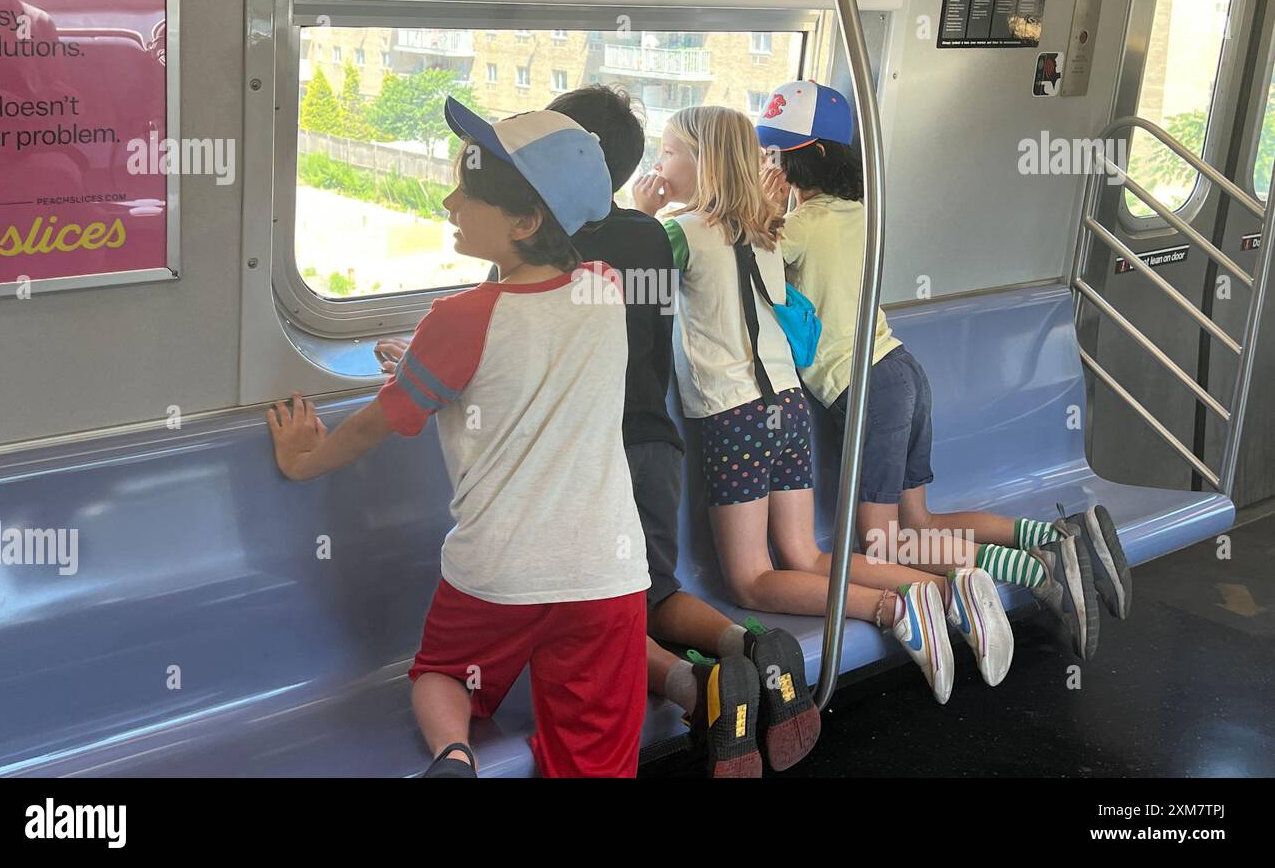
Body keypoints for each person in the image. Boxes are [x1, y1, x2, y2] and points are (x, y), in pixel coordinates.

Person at [378, 85, 820, 777]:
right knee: (648, 596)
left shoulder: (542, 255)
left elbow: (510, 352)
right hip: (659, 438)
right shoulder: (650, 236)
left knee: (600, 610)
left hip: (595, 457)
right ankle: (746, 647)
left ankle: (707, 680)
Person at [268, 100, 650, 777]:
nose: (449, 202)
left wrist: (303, 461)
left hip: (497, 573)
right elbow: (527, 327)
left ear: (527, 222)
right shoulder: (606, 288)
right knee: (595, 758)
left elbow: (369, 425)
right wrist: (424, 356)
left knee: (440, 675)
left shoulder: (457, 320)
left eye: (467, 193)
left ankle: (453, 756)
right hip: (605, 574)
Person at [631, 105, 1014, 704]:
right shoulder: (766, 231)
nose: (660, 162)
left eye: (670, 152)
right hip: (790, 406)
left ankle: (892, 609)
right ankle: (944, 588)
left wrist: (642, 214)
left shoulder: (677, 233)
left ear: (703, 164)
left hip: (735, 415)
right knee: (806, 553)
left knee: (751, 580)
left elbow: (626, 280)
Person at [755, 80, 1133, 662]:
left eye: (777, 154)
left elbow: (749, 251)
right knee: (917, 523)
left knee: (882, 542)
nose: (768, 163)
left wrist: (761, 206)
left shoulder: (802, 225)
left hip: (867, 389)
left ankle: (1037, 568)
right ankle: (1054, 534)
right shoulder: (860, 214)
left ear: (813, 158)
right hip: (903, 370)